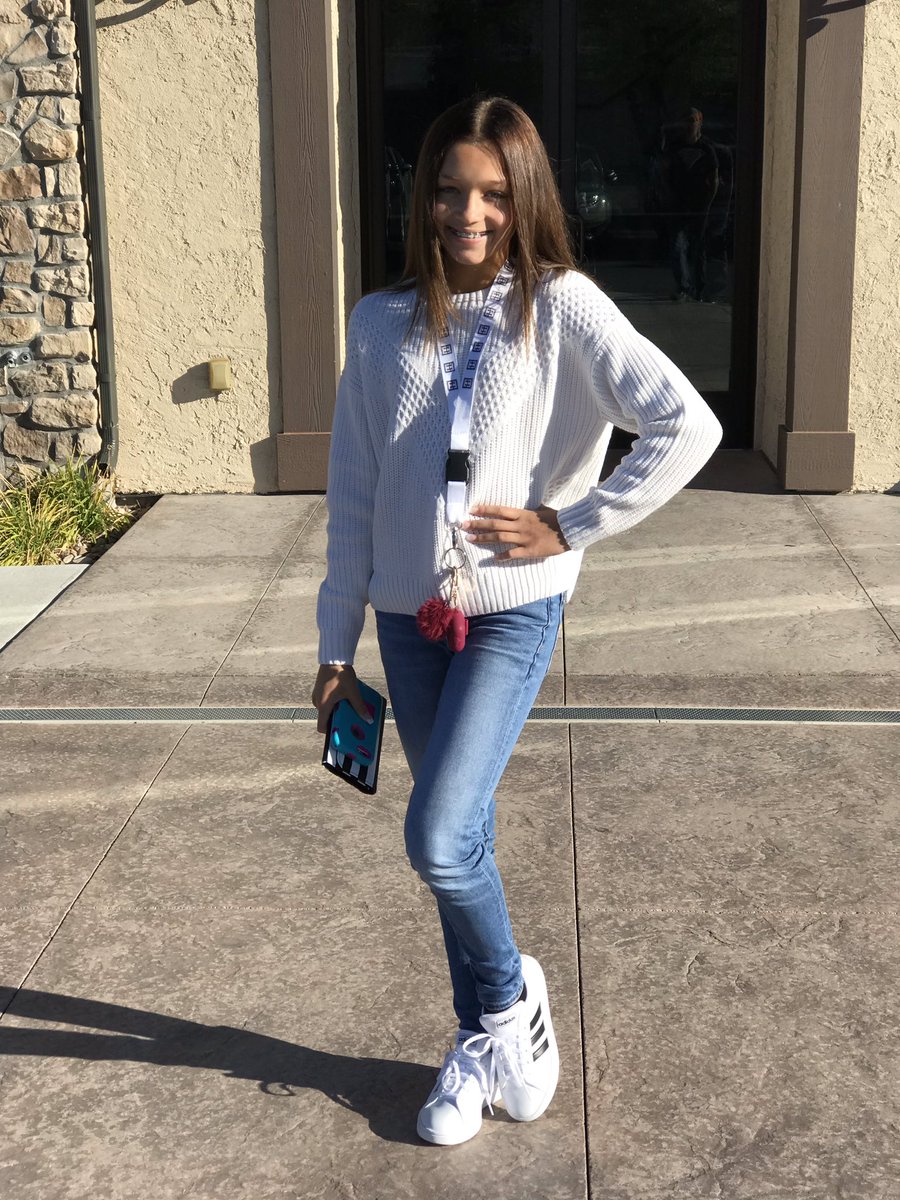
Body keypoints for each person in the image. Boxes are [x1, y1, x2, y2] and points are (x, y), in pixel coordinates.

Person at [312, 95, 722, 1147]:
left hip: (511, 612)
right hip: (408, 617)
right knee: (465, 834)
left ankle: (507, 1004)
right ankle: (478, 1044)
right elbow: (354, 490)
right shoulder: (379, 321)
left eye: (494, 193)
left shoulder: (562, 305)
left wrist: (570, 523)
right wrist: (334, 645)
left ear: (524, 196)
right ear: (424, 197)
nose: (470, 214)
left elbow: (686, 423)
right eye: (451, 190)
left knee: (439, 835)